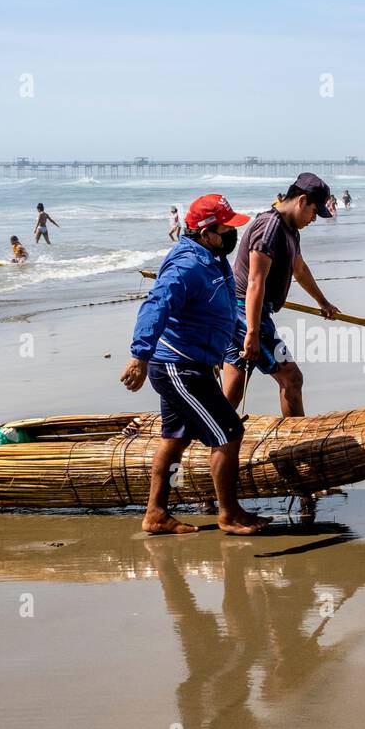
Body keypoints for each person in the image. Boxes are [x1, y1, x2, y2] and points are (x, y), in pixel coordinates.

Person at [121, 193, 268, 536]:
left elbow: (218, 310)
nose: (232, 235)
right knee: (229, 432)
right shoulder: (187, 265)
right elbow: (156, 304)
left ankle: (156, 514)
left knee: (175, 438)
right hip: (177, 366)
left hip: (194, 363)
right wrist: (139, 356)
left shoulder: (211, 258)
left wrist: (241, 341)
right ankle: (229, 515)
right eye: (225, 228)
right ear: (205, 232)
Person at [223, 172, 339, 417]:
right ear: (301, 201)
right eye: (314, 212)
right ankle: (298, 442)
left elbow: (300, 269)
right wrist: (253, 333)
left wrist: (324, 302)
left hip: (249, 311)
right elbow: (255, 282)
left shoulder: (290, 230)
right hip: (245, 311)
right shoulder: (270, 228)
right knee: (291, 378)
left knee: (233, 388)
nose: (313, 219)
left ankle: (202, 434)